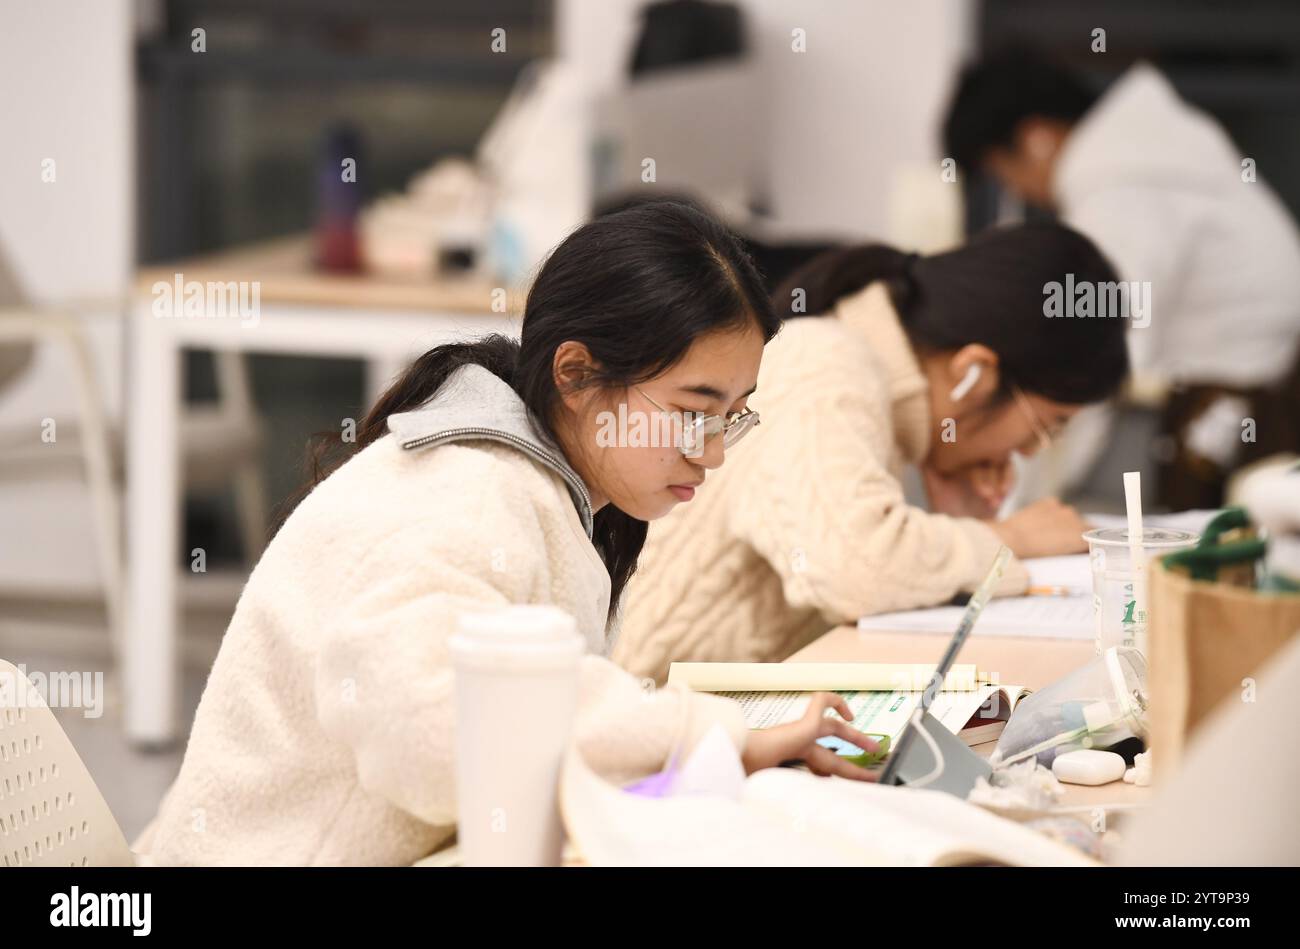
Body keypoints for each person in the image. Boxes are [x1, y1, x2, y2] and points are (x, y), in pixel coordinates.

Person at [132, 200, 881, 866]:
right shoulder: (469, 491)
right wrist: (712, 737)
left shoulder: (540, 484)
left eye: (732, 415)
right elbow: (430, 732)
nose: (712, 450)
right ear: (578, 374)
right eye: (693, 409)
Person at [613, 222, 1129, 685]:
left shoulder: (864, 375)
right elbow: (856, 568)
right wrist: (1013, 538)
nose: (1025, 452)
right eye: (1047, 427)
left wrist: (965, 525)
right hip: (644, 728)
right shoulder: (827, 361)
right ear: (974, 372)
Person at [943, 50, 1300, 508]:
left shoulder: (1120, 191)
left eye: (1004, 173)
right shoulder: (1148, 152)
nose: (1017, 191)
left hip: (1240, 414)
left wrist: (1021, 505)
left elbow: (1097, 353)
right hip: (1258, 395)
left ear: (1035, 139)